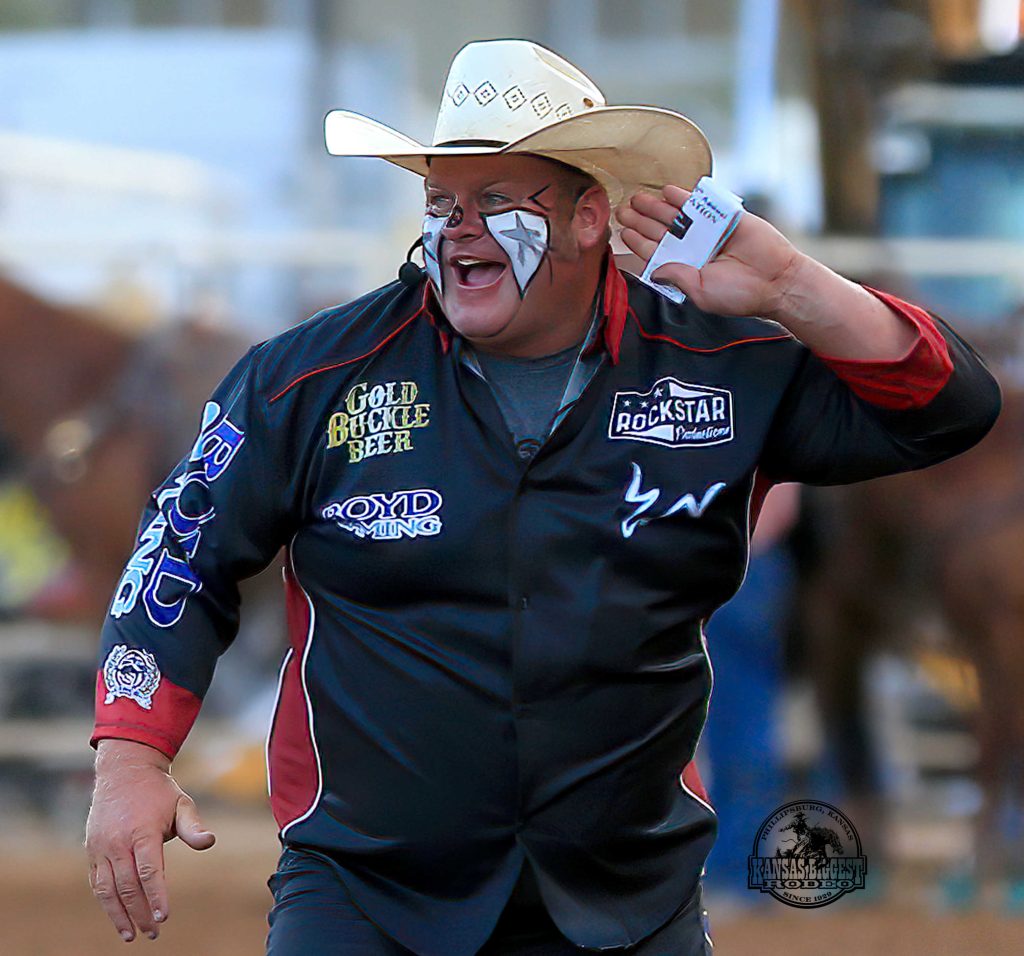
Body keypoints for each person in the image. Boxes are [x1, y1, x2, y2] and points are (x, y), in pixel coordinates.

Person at [85, 39, 1000, 955]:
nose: (458, 229)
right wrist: (130, 757)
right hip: (365, 895)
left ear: (589, 217)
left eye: (496, 200)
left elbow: (950, 409)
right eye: (441, 201)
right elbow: (179, 553)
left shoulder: (719, 368)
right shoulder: (308, 379)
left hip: (629, 900)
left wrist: (795, 288)